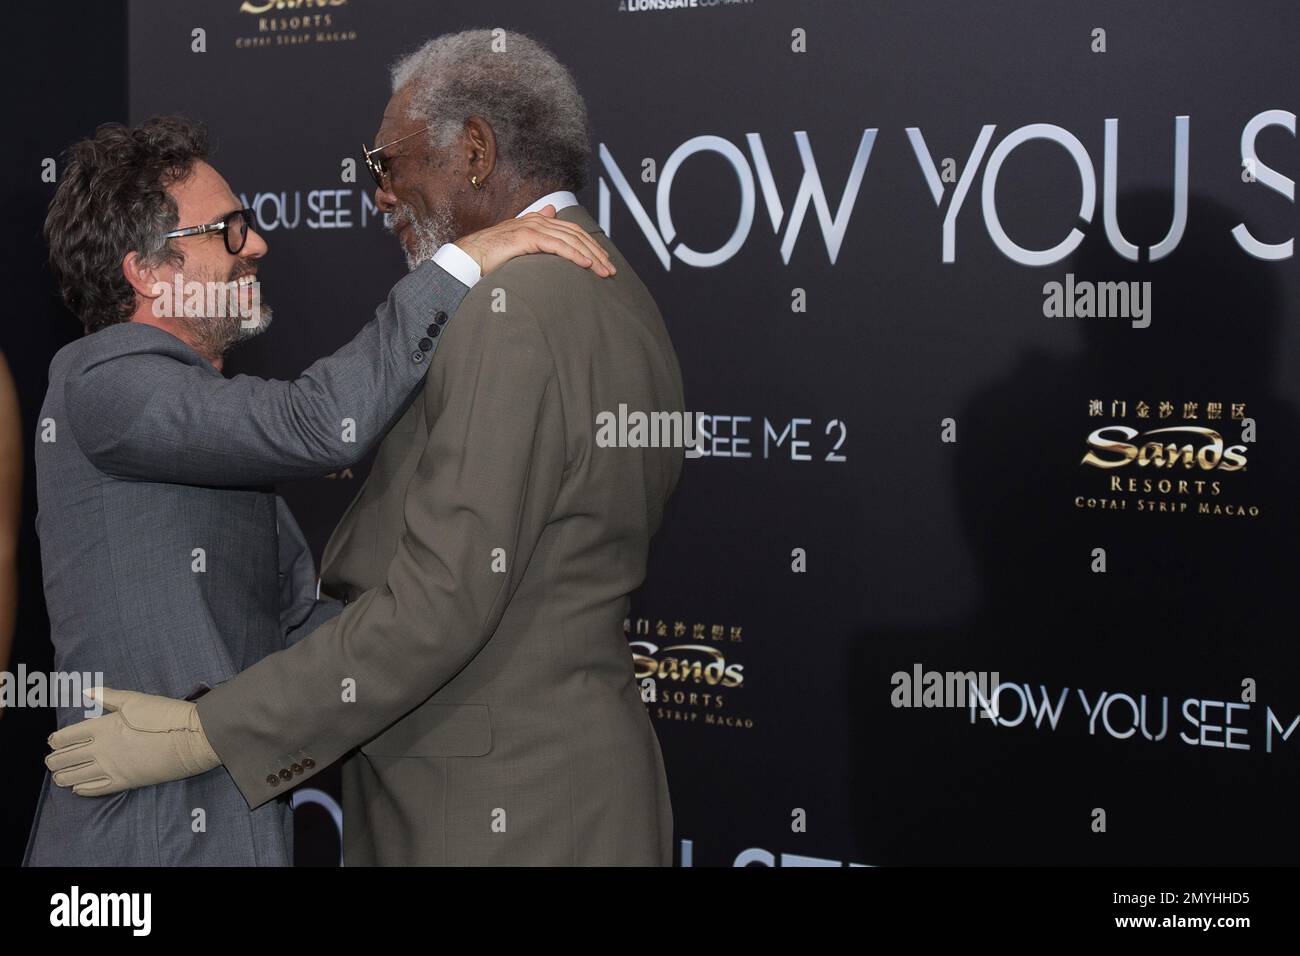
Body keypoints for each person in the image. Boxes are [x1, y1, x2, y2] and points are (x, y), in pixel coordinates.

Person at [49, 29, 685, 866]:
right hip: (154, 835)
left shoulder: (514, 307)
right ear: (149, 271)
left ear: (477, 153)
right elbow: (317, 451)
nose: (379, 194)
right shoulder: (106, 385)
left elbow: (430, 605)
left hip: (502, 812)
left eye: (387, 163)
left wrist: (208, 732)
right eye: (230, 230)